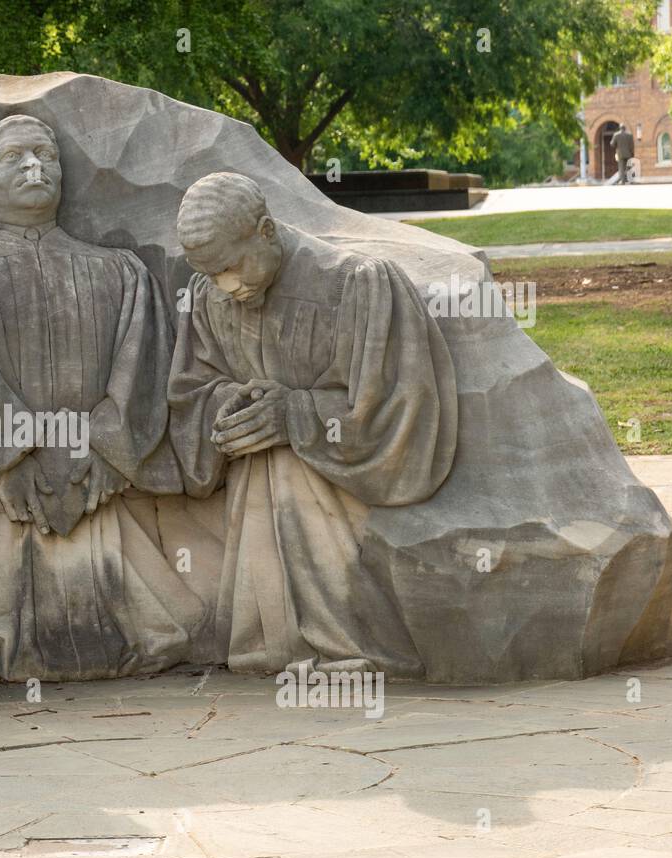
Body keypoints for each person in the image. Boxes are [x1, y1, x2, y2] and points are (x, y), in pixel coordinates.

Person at [0, 115, 207, 681]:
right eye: (14, 158)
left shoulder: (120, 272)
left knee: (141, 627)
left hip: (100, 485)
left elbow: (143, 367)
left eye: (45, 154)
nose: (34, 166)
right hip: (7, 493)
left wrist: (109, 453)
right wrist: (4, 463)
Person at [168, 172, 458, 677]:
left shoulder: (356, 282)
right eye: (211, 274)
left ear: (265, 230)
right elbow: (192, 390)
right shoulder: (208, 295)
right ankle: (279, 640)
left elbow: (397, 408)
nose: (226, 286)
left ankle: (350, 641)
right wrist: (233, 409)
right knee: (270, 457)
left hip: (339, 486)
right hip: (254, 492)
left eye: (233, 267)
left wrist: (296, 415)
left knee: (287, 459)